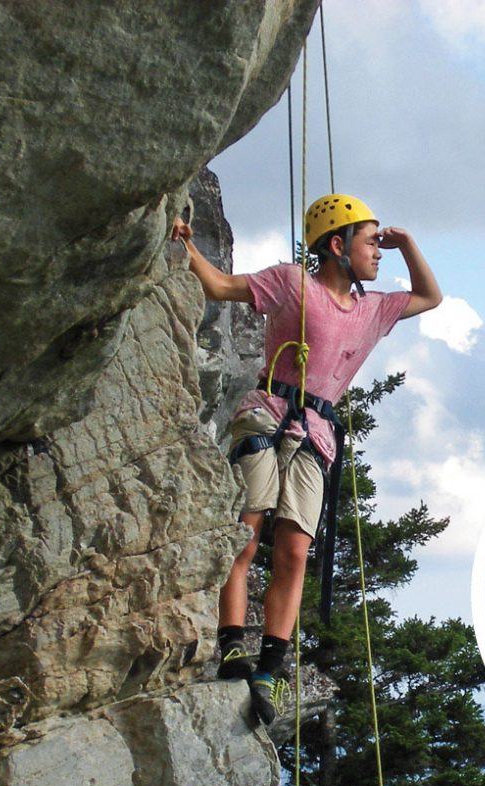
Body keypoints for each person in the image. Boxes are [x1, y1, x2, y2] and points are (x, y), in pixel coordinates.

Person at [171, 194, 441, 725]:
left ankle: (269, 668)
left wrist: (406, 243)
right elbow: (222, 287)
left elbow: (429, 297)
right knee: (246, 534)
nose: (378, 252)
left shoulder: (372, 309)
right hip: (269, 413)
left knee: (294, 551)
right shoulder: (293, 283)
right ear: (337, 246)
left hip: (315, 433)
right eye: (371, 241)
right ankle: (231, 648)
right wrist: (185, 245)